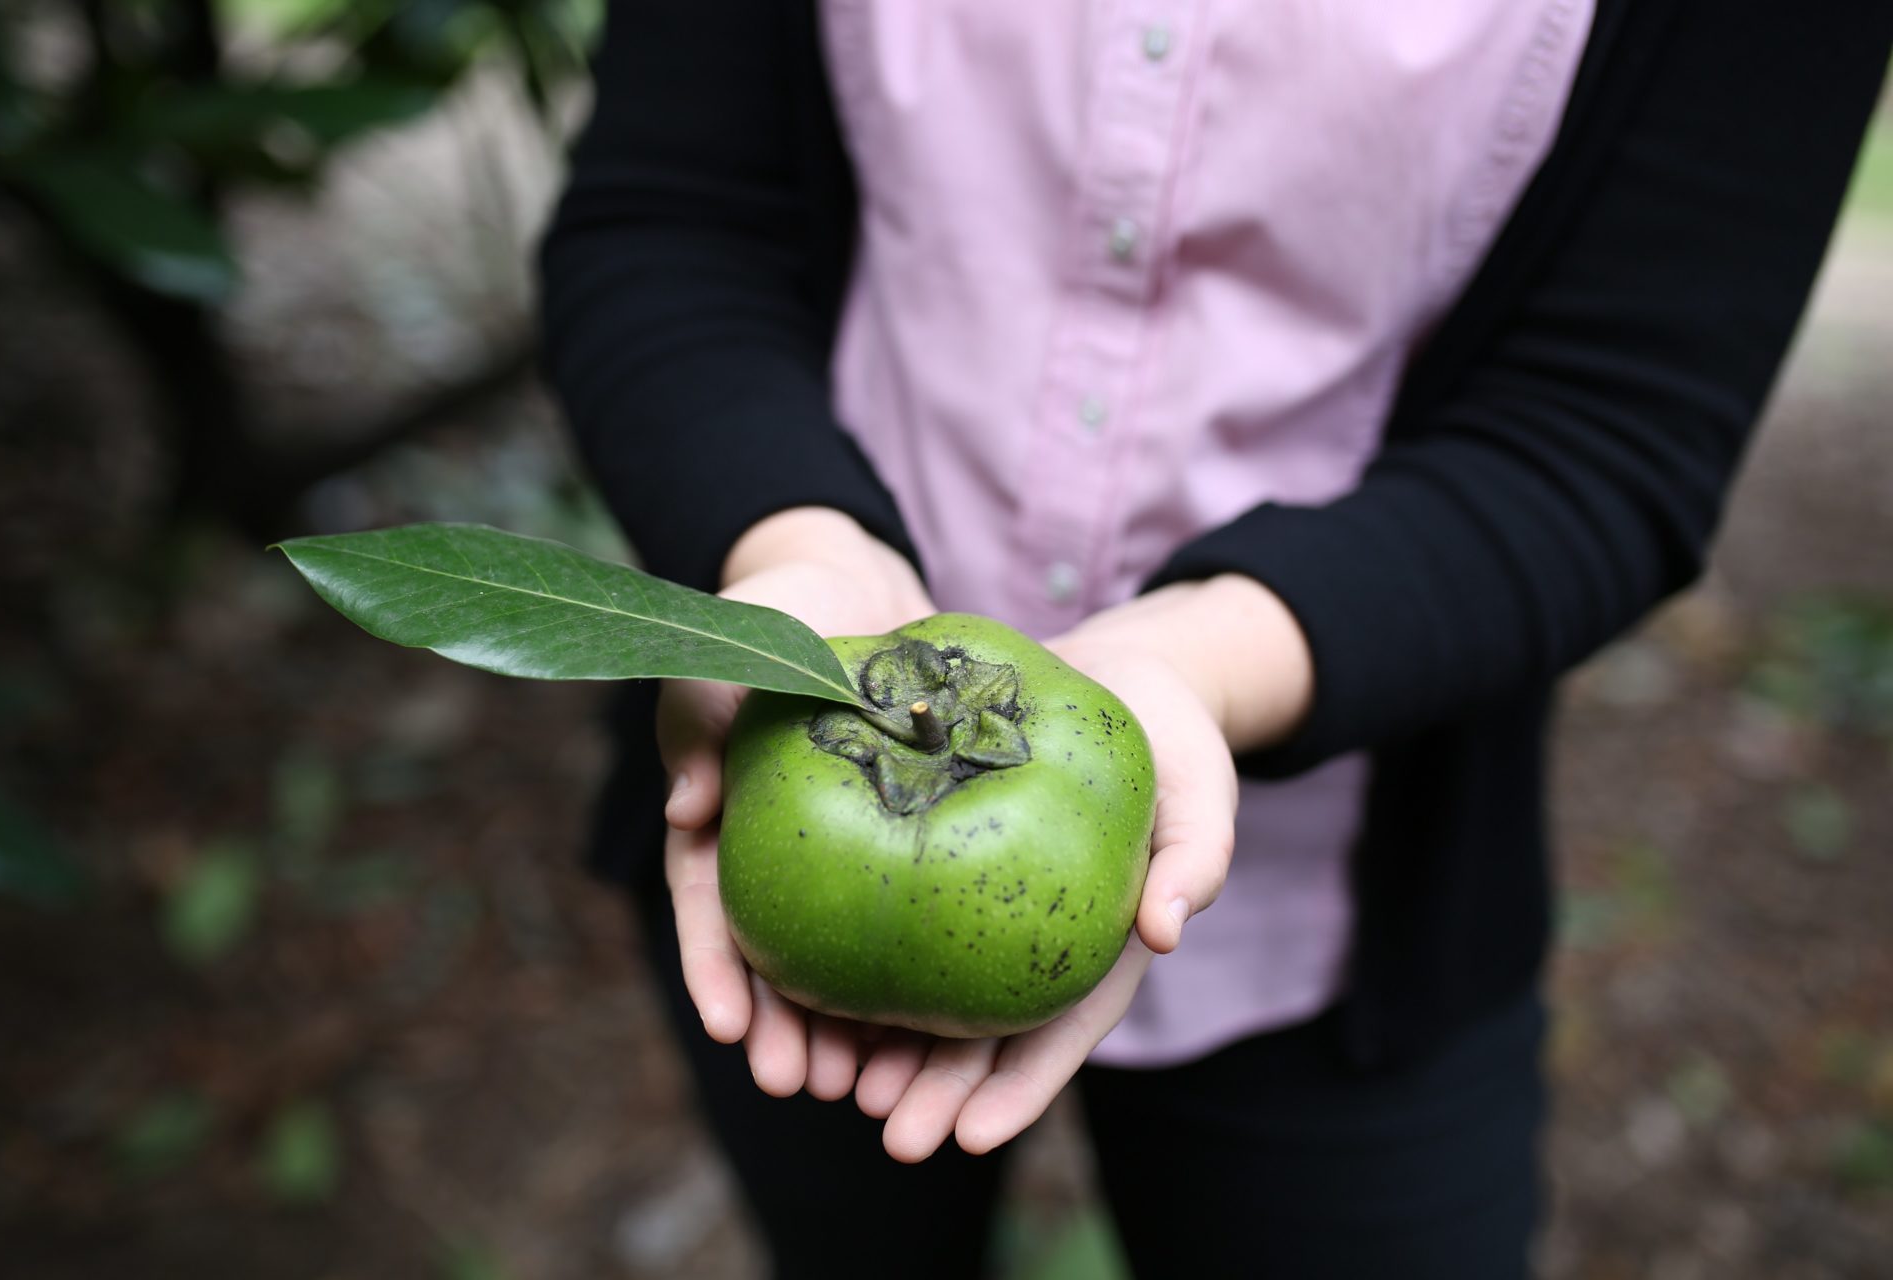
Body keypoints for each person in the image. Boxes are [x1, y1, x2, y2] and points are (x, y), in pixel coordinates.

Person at [540, 2, 1892, 1275]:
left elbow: (1606, 439)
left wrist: (1193, 663)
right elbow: (669, 222)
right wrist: (790, 550)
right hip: (779, 757)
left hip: (1358, 905)